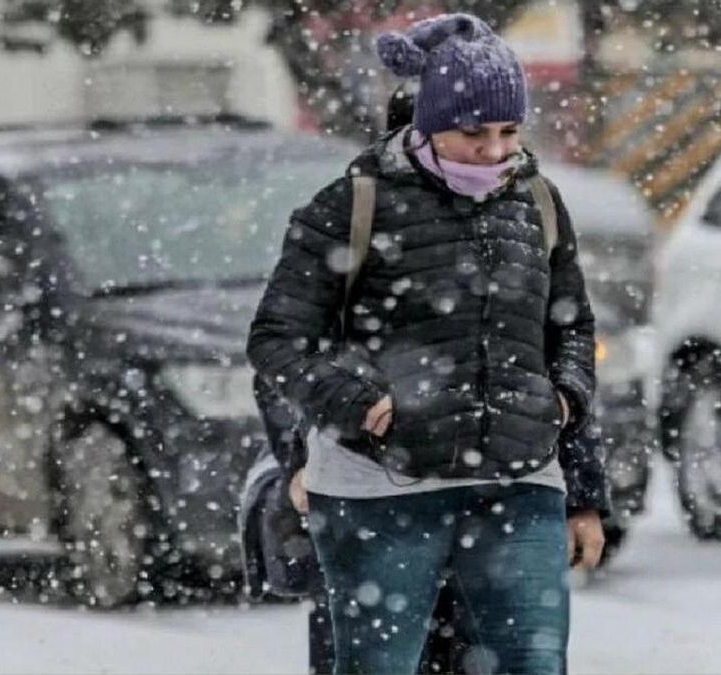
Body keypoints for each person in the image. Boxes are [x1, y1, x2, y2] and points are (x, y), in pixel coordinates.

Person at [247, 12, 608, 674]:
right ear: (428, 123)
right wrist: (361, 410)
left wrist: (565, 416)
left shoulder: (537, 201)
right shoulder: (353, 205)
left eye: (509, 131)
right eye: (474, 132)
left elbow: (568, 330)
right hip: (383, 490)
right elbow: (279, 341)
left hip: (517, 482)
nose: (495, 150)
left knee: (531, 662)